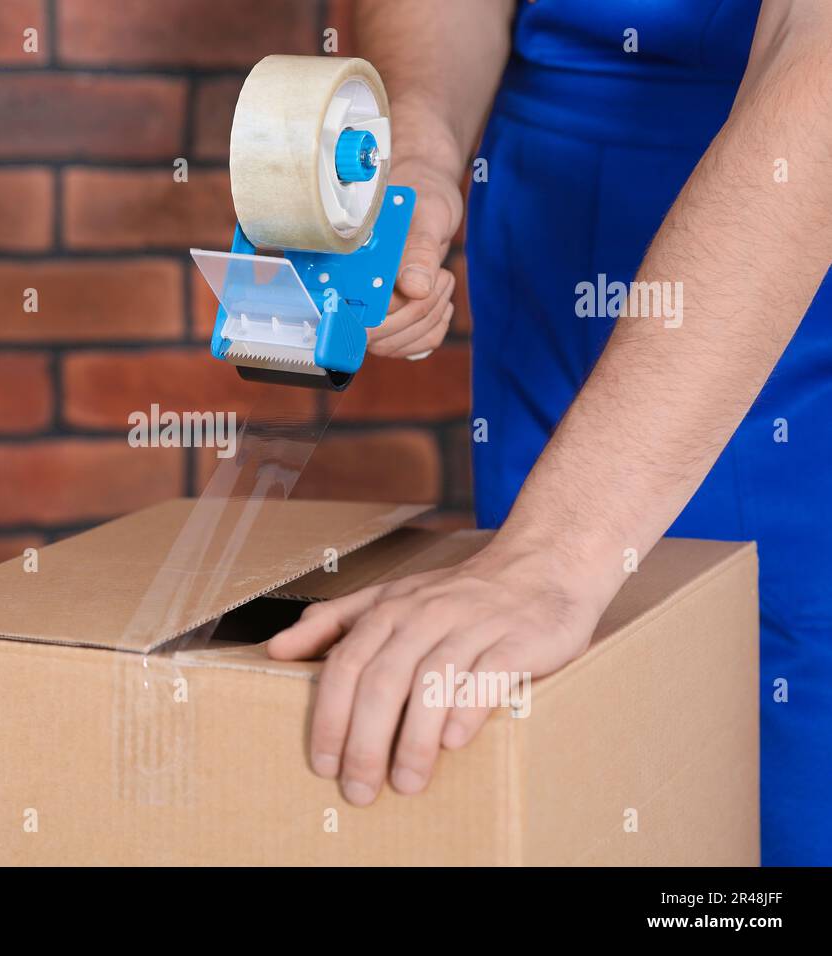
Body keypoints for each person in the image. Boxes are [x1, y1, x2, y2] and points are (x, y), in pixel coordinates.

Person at [267, 0, 831, 865]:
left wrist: (560, 547)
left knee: (783, 761)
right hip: (545, 220)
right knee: (570, 739)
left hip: (783, 236)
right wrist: (417, 140)